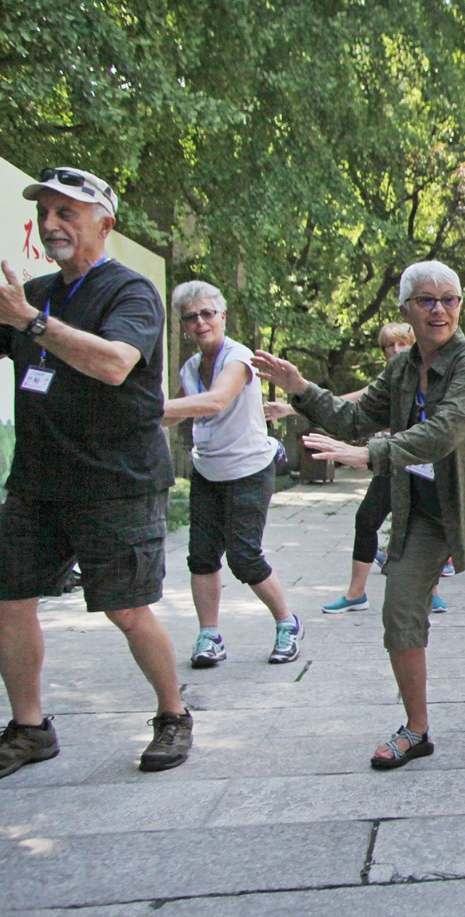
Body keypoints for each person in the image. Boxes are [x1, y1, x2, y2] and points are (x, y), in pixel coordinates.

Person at [0, 165, 193, 781]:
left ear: (103, 224)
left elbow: (114, 365)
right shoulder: (32, 292)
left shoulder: (129, 293)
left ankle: (173, 715)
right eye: (46, 213)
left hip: (115, 480)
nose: (52, 223)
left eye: (68, 213)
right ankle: (29, 730)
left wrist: (30, 321)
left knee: (127, 609)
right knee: (8, 604)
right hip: (37, 484)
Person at [252, 260, 465, 766]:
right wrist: (302, 389)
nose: (440, 309)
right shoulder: (400, 368)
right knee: (400, 614)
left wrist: (372, 454)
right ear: (406, 309)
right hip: (424, 513)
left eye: (449, 299)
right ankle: (416, 730)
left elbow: (445, 431)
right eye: (427, 300)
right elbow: (354, 417)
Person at [160, 280, 302, 668]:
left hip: (249, 469)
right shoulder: (190, 367)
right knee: (202, 557)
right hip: (208, 469)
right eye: (191, 317)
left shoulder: (238, 357)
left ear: (222, 316)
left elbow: (215, 401)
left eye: (207, 313)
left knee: (244, 557)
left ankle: (288, 623)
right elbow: (171, 415)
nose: (200, 322)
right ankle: (209, 636)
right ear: (184, 325)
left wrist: (144, 408)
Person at [269, 324, 447, 615]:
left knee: (425, 523)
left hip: (426, 461)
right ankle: (356, 593)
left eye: (401, 344)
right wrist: (291, 406)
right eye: (389, 346)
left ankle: (432, 591)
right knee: (366, 519)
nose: (395, 350)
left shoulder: (434, 375)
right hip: (392, 461)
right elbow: (353, 401)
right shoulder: (388, 381)